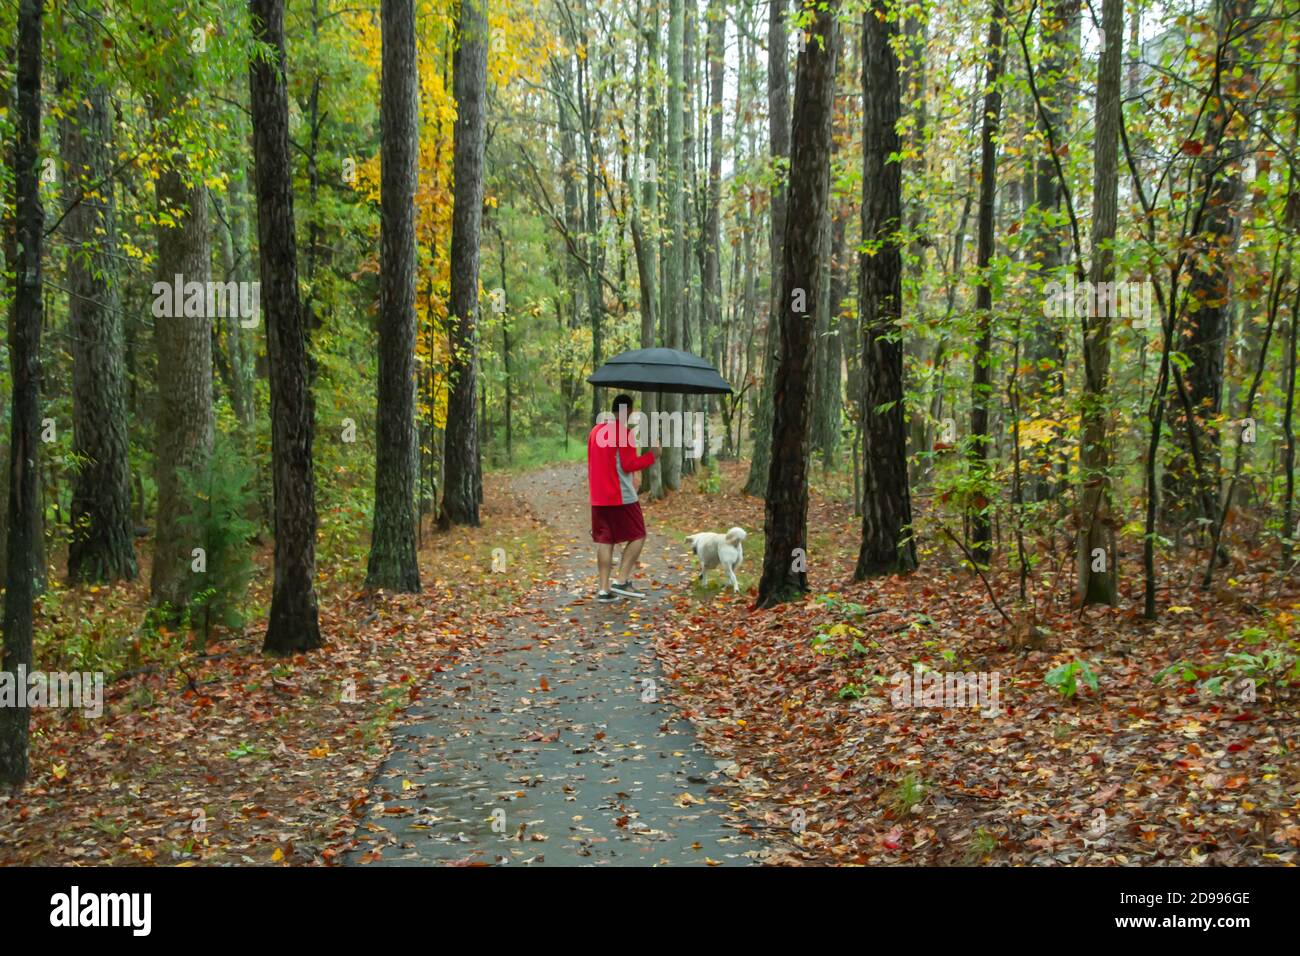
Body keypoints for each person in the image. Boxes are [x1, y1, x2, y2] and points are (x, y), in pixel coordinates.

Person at [587, 394, 659, 602]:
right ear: (627, 410)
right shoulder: (623, 433)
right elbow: (629, 465)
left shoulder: (595, 432)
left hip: (598, 497)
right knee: (638, 534)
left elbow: (592, 463)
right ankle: (621, 581)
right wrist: (653, 455)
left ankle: (603, 590)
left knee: (605, 540)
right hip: (621, 496)